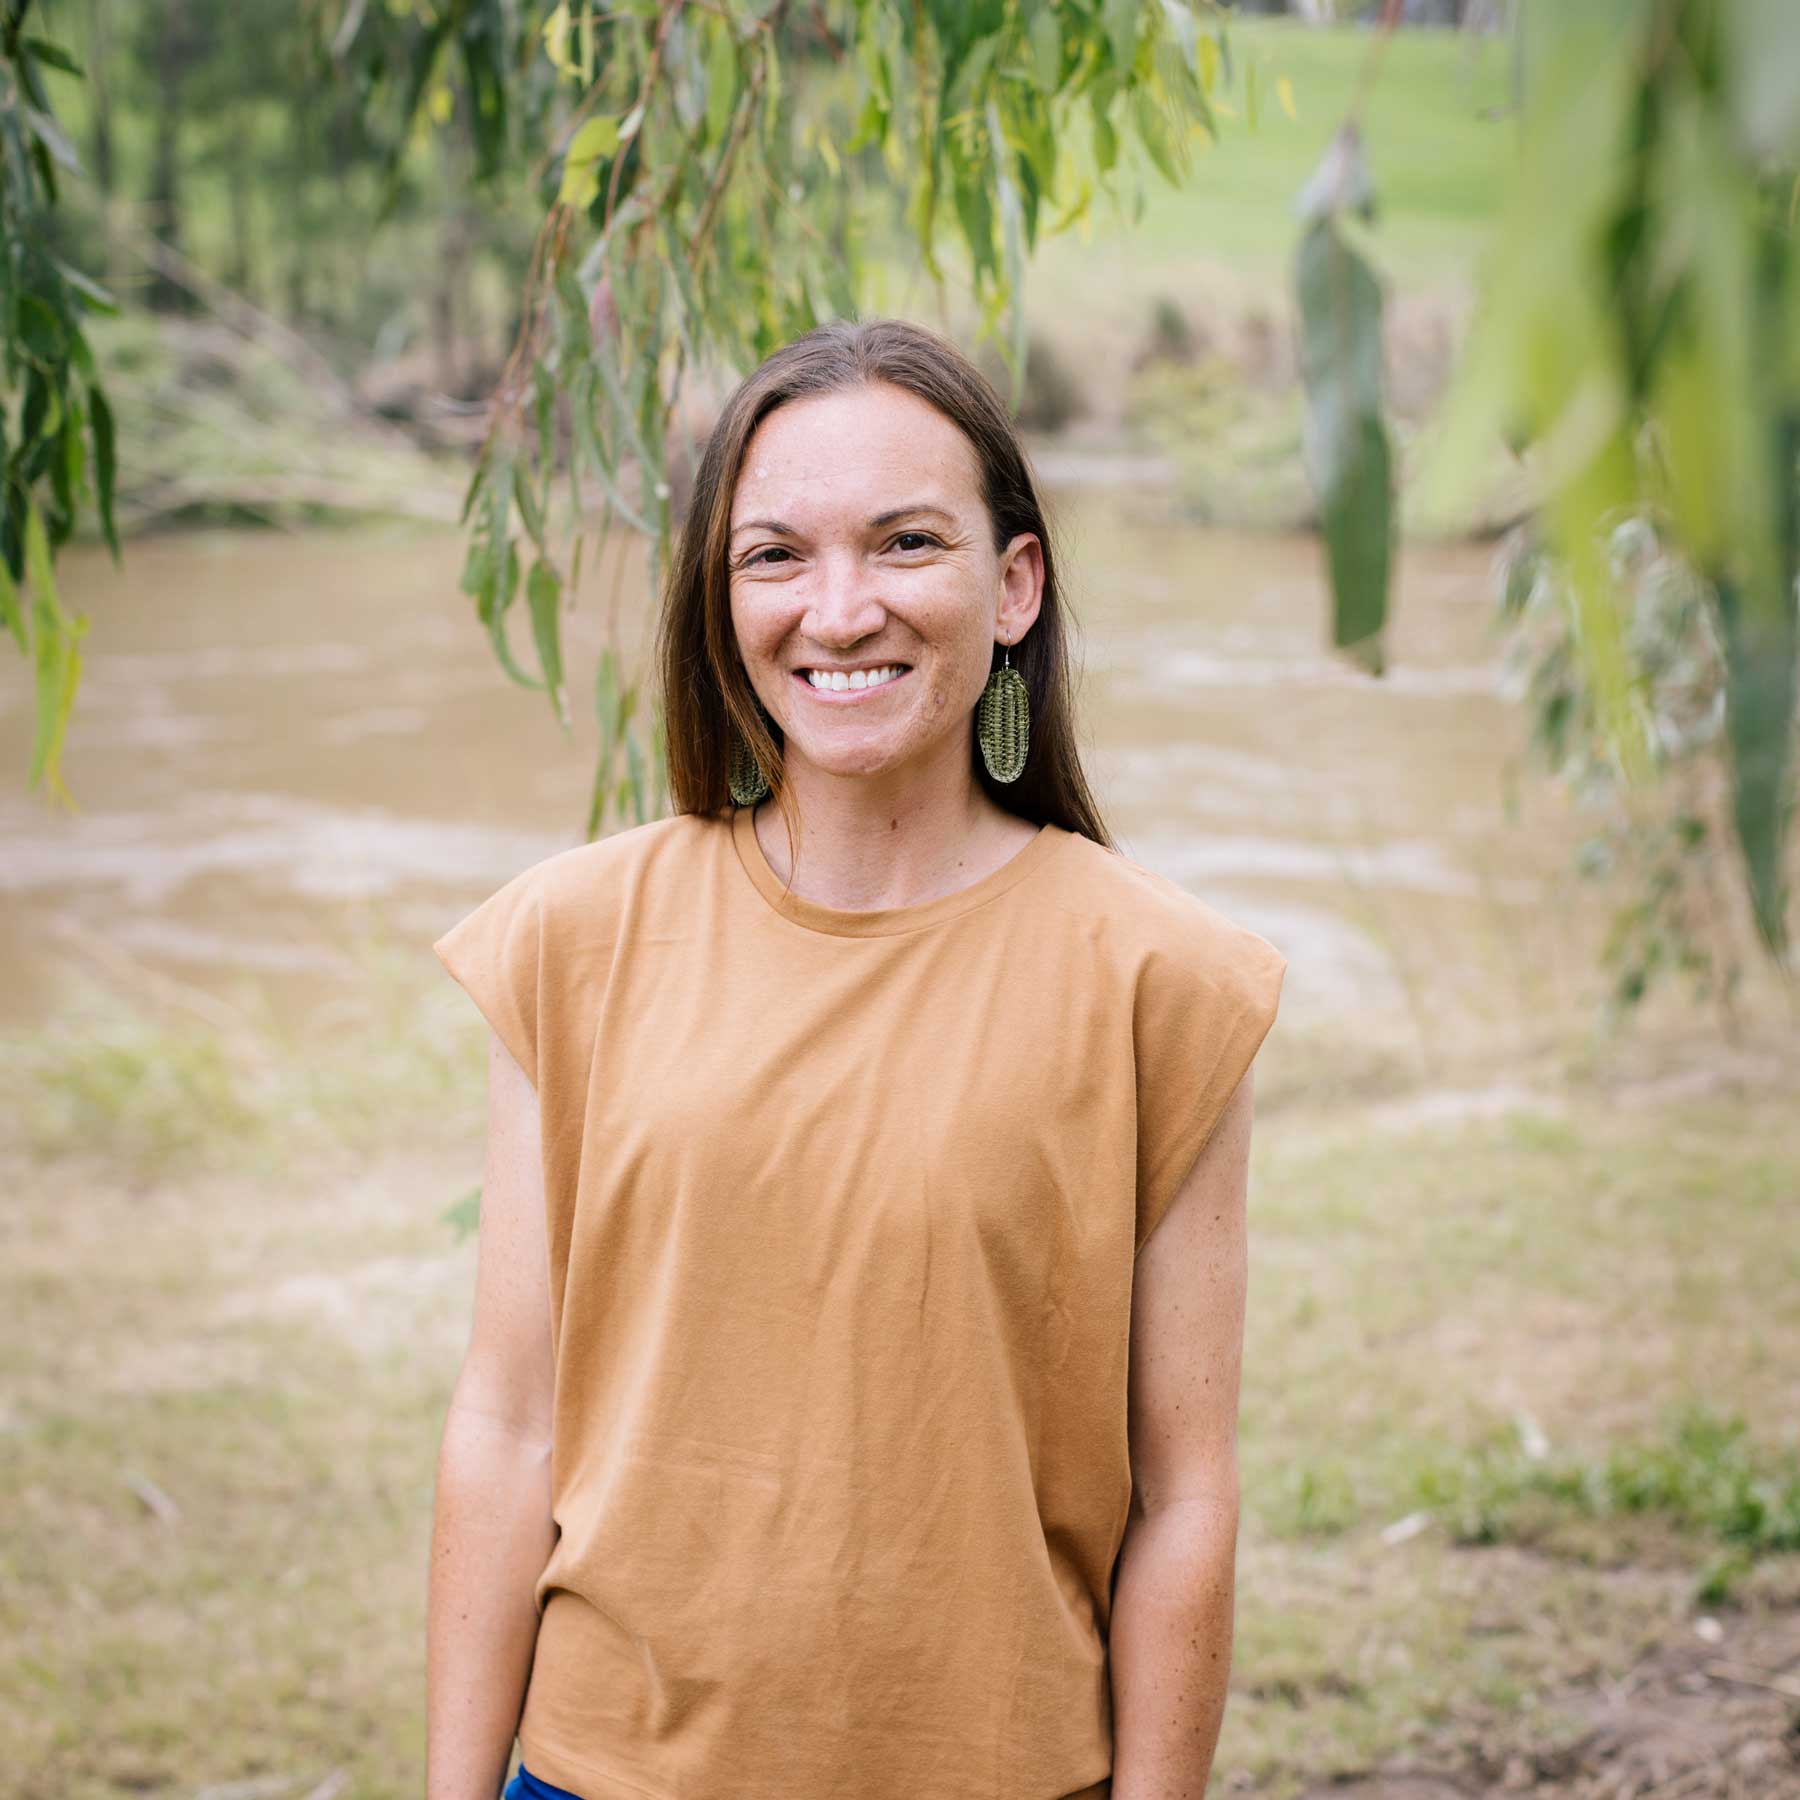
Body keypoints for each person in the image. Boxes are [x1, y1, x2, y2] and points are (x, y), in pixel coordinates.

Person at [426, 315, 1287, 1800]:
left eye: (904, 544)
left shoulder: (1164, 980)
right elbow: (510, 1427)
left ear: (1012, 584)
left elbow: (1186, 1499)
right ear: (720, 596)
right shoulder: (573, 939)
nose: (838, 613)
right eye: (775, 556)